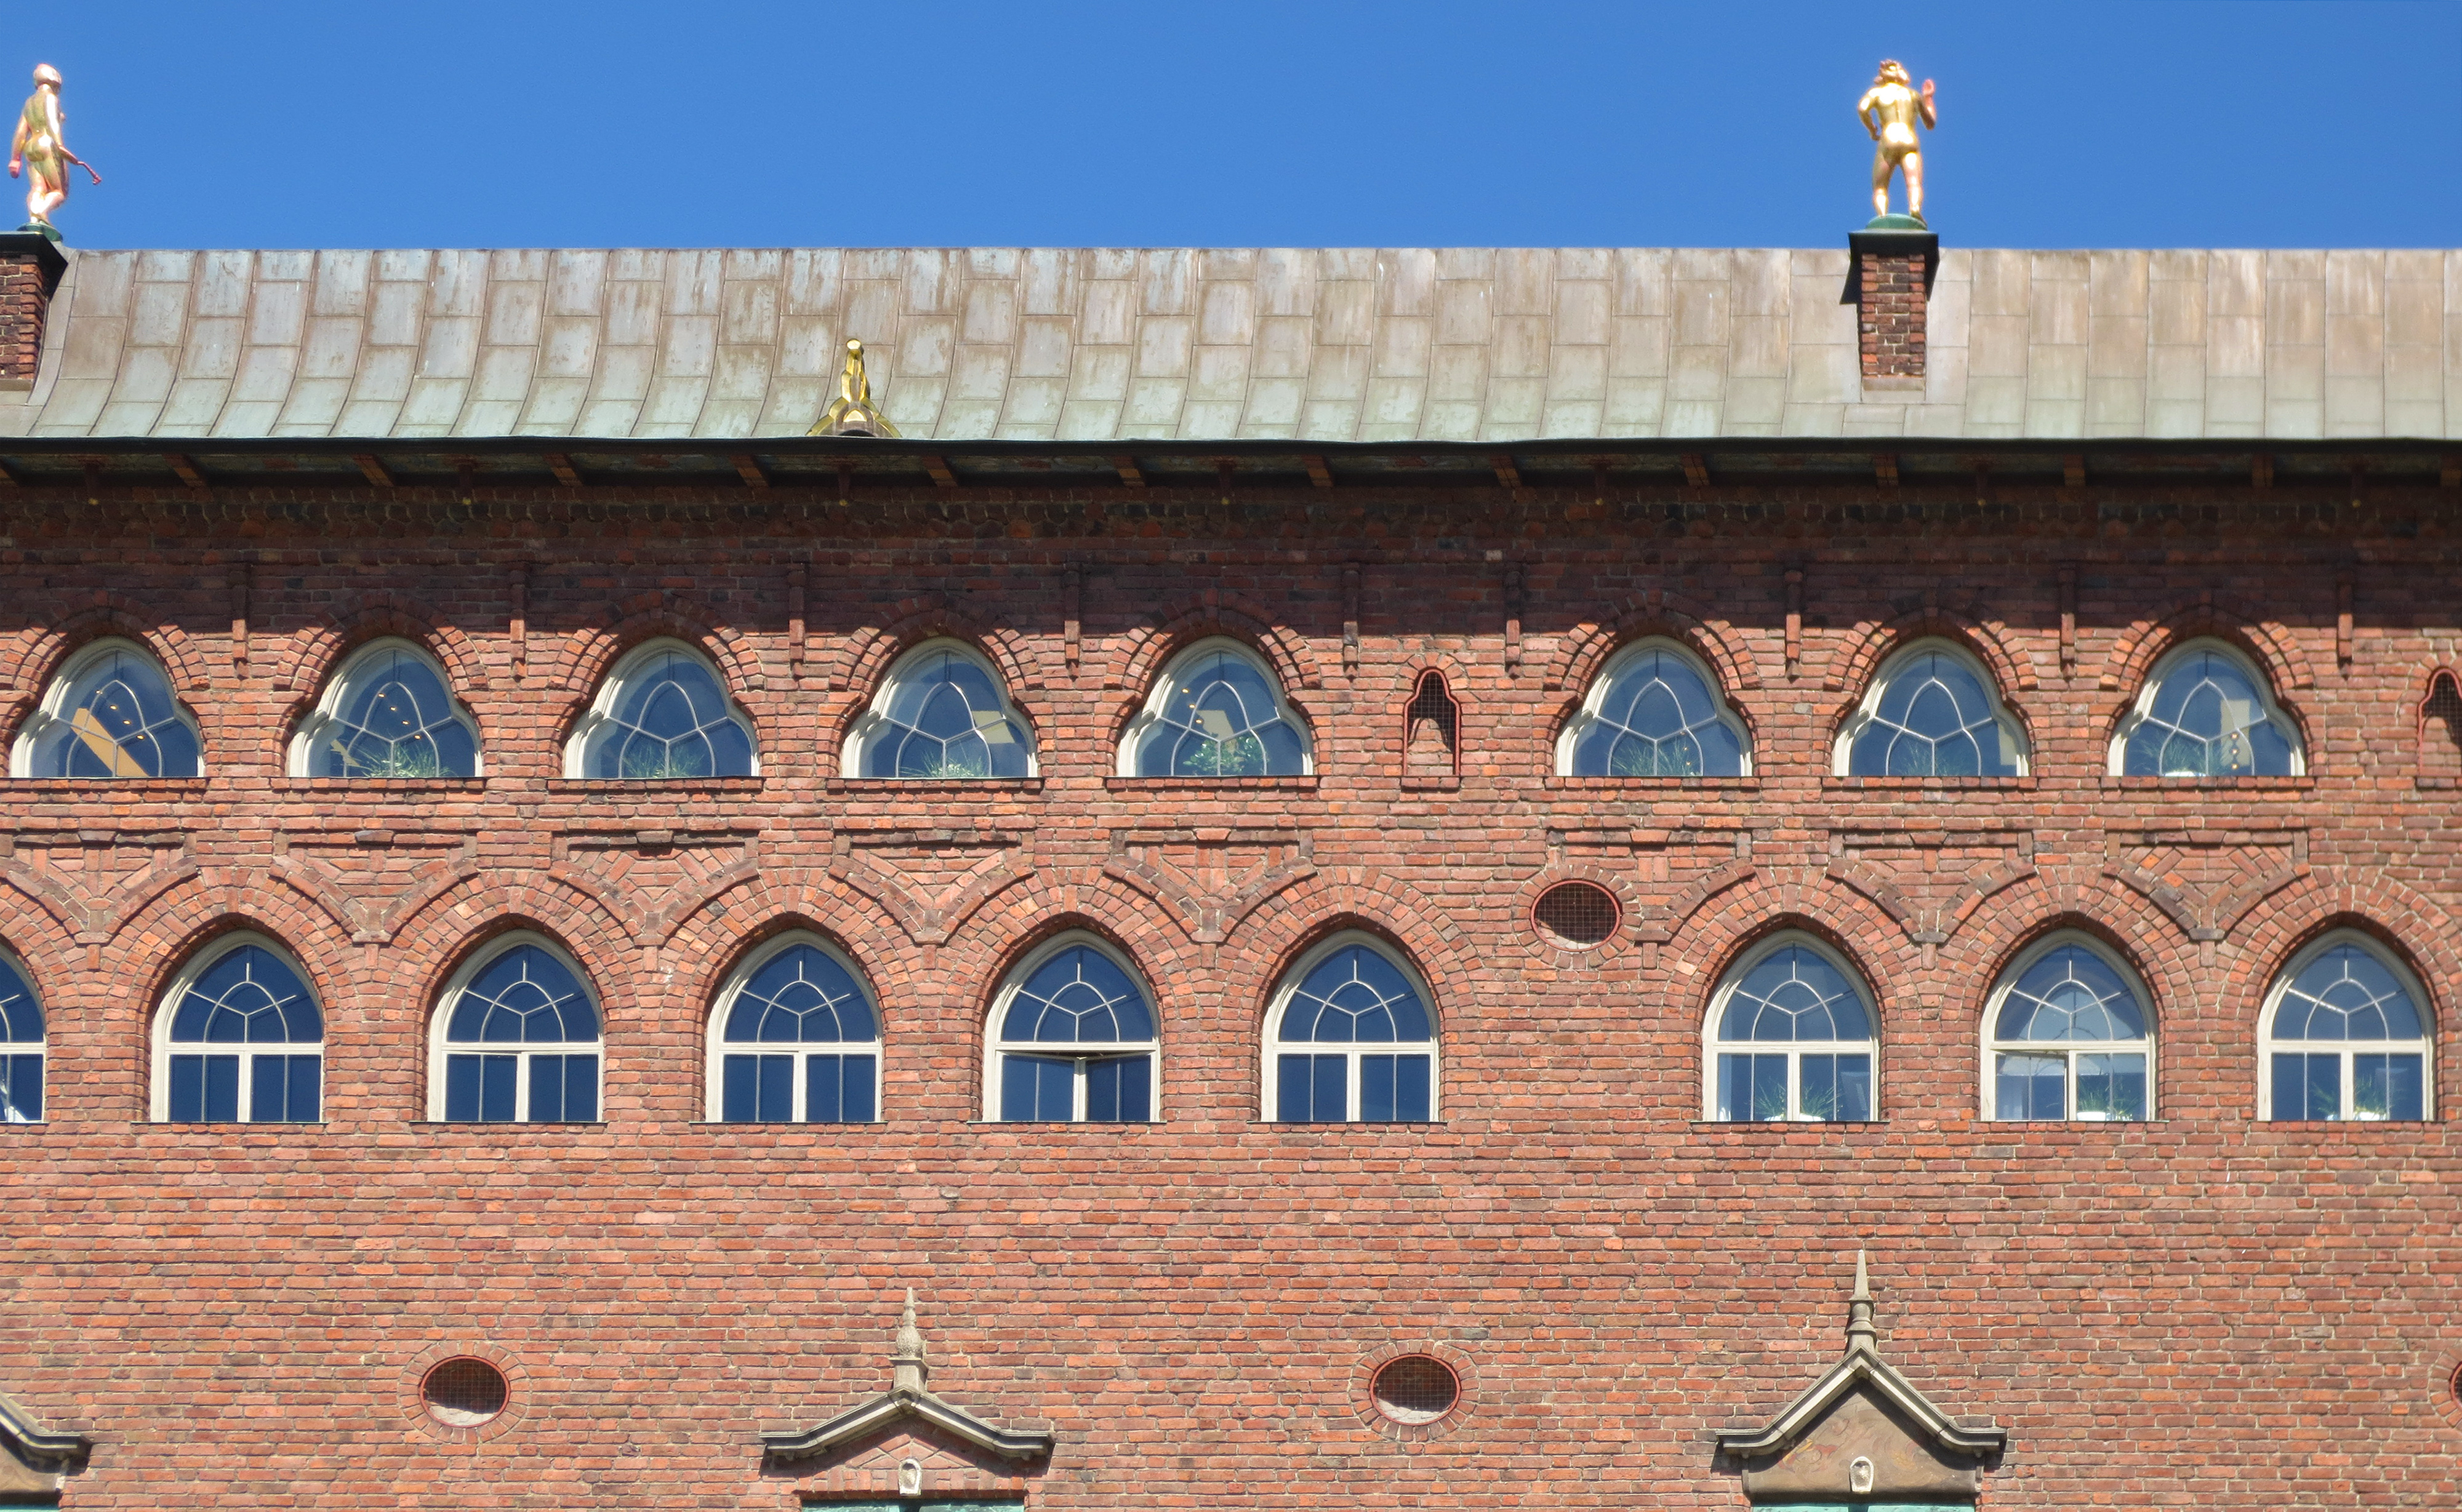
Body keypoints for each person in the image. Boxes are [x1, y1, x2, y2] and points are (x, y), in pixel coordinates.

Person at [9, 64, 89, 234]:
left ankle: (34, 219)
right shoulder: (51, 97)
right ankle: (41, 212)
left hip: (31, 146)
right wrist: (60, 145)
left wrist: (15, 158)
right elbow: (52, 122)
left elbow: (21, 132)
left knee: (38, 188)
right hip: (48, 144)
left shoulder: (29, 103)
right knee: (59, 192)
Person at [1855, 60, 1937, 225]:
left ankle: (1882, 217)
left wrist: (1872, 129)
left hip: (1889, 138)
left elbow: (1862, 109)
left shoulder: (1877, 93)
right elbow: (1930, 123)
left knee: (1880, 186)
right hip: (1910, 138)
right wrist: (1928, 98)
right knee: (1914, 182)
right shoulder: (1913, 94)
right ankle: (1915, 209)